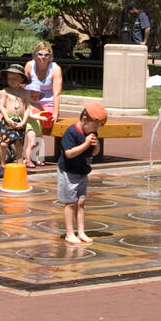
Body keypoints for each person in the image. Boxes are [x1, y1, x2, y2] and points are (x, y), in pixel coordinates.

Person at [58, 101, 107, 244]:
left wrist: (96, 145)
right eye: (96, 125)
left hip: (82, 172)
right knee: (70, 203)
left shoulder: (91, 132)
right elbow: (69, 154)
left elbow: (95, 152)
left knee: (81, 202)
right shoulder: (71, 132)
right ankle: (69, 233)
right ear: (85, 119)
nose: (96, 129)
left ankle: (81, 232)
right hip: (68, 172)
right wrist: (85, 144)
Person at [0, 65, 39, 170]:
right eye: (9, 79)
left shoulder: (25, 93)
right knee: (3, 144)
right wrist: (7, 119)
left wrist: (24, 122)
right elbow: (1, 106)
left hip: (20, 120)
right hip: (8, 120)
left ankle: (20, 167)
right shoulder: (5, 91)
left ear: (21, 80)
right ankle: (2, 166)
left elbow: (27, 109)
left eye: (15, 79)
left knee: (19, 145)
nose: (12, 81)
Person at [24, 43, 64, 120]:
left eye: (46, 55)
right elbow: (23, 86)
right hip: (32, 102)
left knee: (41, 115)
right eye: (40, 54)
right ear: (35, 55)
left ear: (50, 56)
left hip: (48, 104)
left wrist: (55, 114)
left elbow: (56, 94)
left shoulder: (55, 69)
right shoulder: (29, 65)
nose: (43, 57)